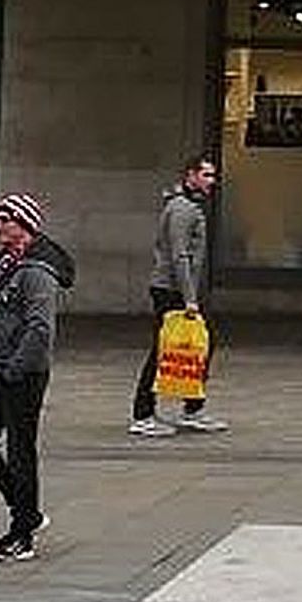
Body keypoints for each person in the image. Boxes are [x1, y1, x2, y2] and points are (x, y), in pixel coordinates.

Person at [0, 193, 72, 561]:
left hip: (20, 374)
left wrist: (14, 367)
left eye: (7, 220)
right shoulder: (2, 263)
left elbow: (40, 329)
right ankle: (28, 511)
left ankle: (21, 531)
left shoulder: (35, 271)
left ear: (25, 226)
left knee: (19, 451)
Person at [129, 155, 228, 437]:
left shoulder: (188, 206)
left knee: (197, 345)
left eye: (212, 176)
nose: (212, 181)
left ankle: (192, 408)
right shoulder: (182, 209)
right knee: (164, 349)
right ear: (190, 176)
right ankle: (143, 414)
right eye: (207, 175)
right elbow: (179, 255)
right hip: (171, 291)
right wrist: (190, 298)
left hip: (177, 290)